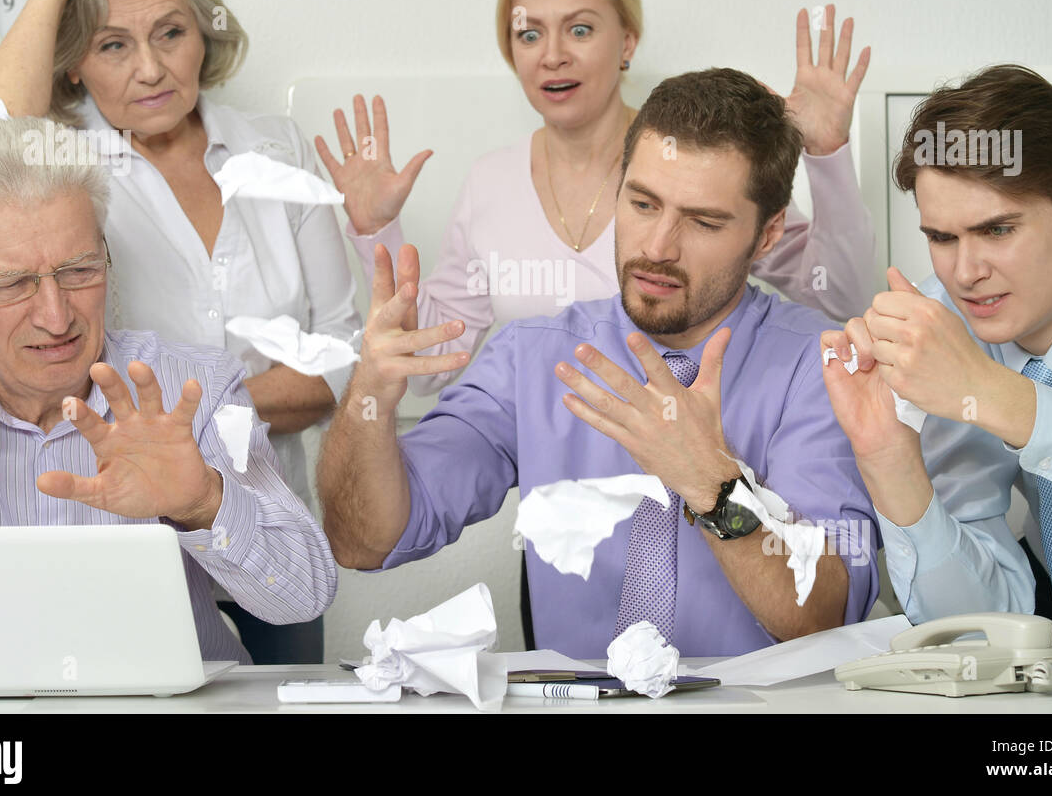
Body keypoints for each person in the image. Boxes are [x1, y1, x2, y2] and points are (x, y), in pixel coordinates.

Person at [317, 67, 879, 659]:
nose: (657, 247)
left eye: (704, 221)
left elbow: (826, 616)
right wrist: (367, 396)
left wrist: (713, 487)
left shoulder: (822, 366)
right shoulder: (531, 358)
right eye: (642, 203)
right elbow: (364, 542)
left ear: (767, 237)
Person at [0, 0, 361, 662]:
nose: (150, 68)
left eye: (171, 33)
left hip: (266, 527)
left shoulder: (278, 149)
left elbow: (340, 354)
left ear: (204, 36)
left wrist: (199, 417)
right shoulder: (64, 165)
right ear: (73, 64)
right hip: (123, 538)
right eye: (113, 44)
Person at [317, 0, 875, 402]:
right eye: (528, 33)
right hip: (559, 502)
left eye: (580, 29)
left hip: (701, 487)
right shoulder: (490, 182)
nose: (552, 54)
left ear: (627, 41)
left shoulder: (699, 165)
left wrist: (826, 154)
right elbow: (433, 366)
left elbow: (838, 303)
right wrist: (375, 231)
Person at [0, 117, 336, 664]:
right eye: (14, 284)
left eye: (79, 271)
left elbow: (303, 596)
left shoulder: (194, 389)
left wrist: (203, 504)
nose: (55, 315)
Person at [821, 64, 1052, 680]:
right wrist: (889, 460)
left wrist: (994, 396)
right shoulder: (946, 323)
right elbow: (984, 625)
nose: (965, 273)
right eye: (941, 236)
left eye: (997, 229)